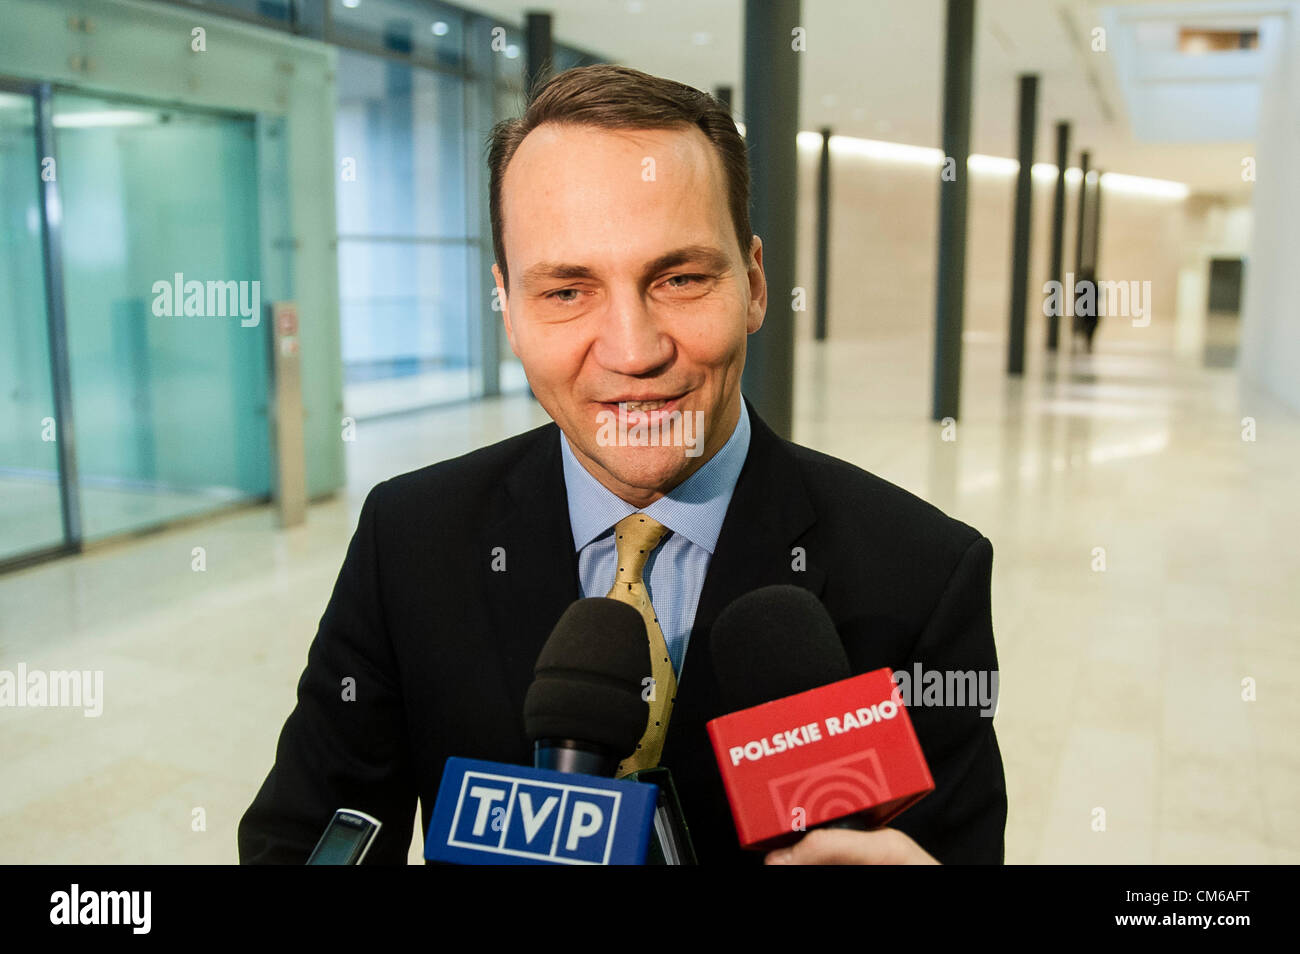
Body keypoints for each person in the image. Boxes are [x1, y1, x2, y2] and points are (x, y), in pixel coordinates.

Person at [239, 64, 1006, 865]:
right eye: (567, 291)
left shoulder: (920, 575)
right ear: (506, 307)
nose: (634, 352)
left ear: (752, 283)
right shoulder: (409, 539)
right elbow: (304, 832)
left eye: (679, 278)